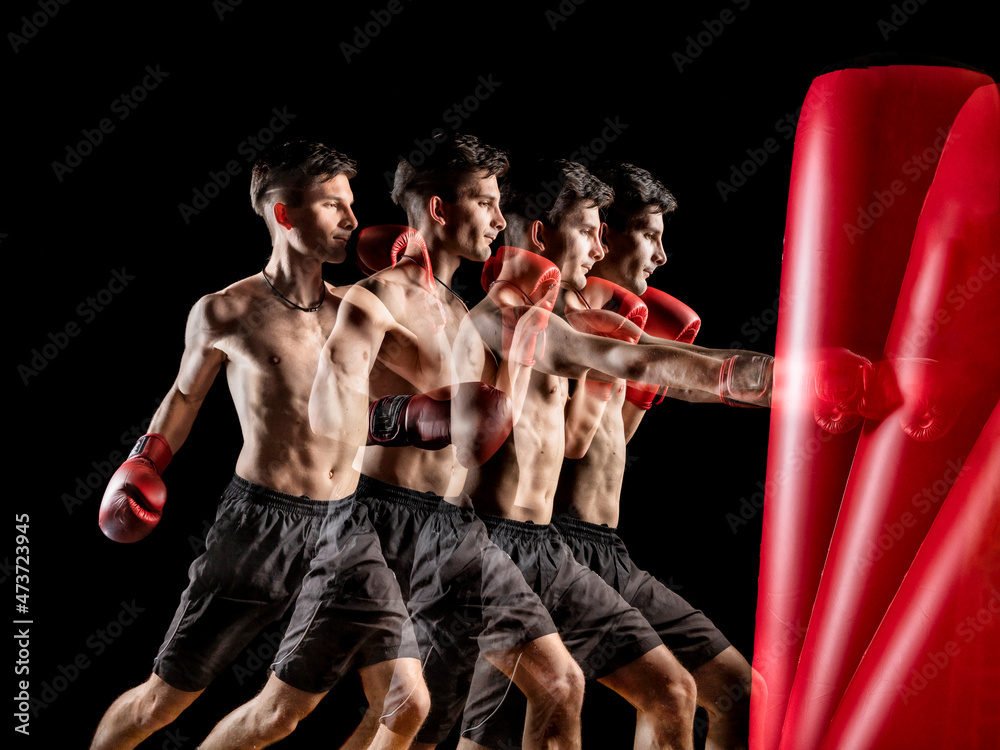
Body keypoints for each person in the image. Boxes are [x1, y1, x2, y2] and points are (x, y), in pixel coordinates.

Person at [91, 140, 428, 750]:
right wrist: (146, 459)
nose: (353, 221)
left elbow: (443, 377)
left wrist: (426, 287)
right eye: (333, 206)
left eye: (352, 205)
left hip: (348, 529)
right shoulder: (227, 310)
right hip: (261, 526)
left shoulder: (359, 309)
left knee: (405, 704)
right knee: (162, 701)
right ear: (283, 215)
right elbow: (185, 397)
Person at [309, 133, 586, 750]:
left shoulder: (463, 315)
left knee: (559, 682)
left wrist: (522, 331)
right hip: (371, 519)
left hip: (448, 527)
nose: (497, 220)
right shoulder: (375, 295)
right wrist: (398, 417)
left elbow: (481, 436)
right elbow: (325, 416)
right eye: (485, 203)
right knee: (351, 712)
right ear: (439, 209)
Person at [552, 162, 753, 749]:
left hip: (606, 549)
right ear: (603, 234)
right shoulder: (554, 320)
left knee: (735, 693)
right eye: (651, 235)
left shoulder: (620, 324)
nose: (662, 256)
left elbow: (616, 443)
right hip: (548, 548)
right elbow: (569, 446)